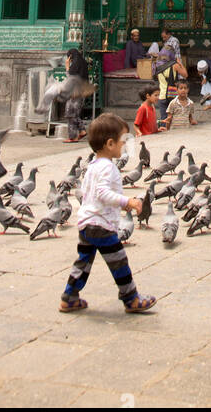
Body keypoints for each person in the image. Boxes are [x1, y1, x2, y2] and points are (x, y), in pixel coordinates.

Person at [59, 112, 156, 315]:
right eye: (122, 141)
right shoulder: (108, 168)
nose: (124, 145)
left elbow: (91, 195)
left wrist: (120, 205)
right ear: (110, 144)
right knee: (118, 261)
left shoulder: (92, 166)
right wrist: (126, 201)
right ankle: (131, 299)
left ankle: (69, 297)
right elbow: (103, 194)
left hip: (86, 223)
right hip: (101, 226)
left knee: (83, 262)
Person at [153, 28, 185, 123]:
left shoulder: (174, 41)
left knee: (165, 117)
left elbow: (173, 52)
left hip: (163, 95)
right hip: (170, 94)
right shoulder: (170, 66)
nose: (163, 39)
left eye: (164, 37)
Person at [64, 48, 92, 141]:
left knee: (70, 113)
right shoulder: (82, 62)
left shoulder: (75, 64)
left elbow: (70, 78)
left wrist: (67, 67)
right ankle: (82, 131)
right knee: (75, 113)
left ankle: (73, 137)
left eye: (70, 58)